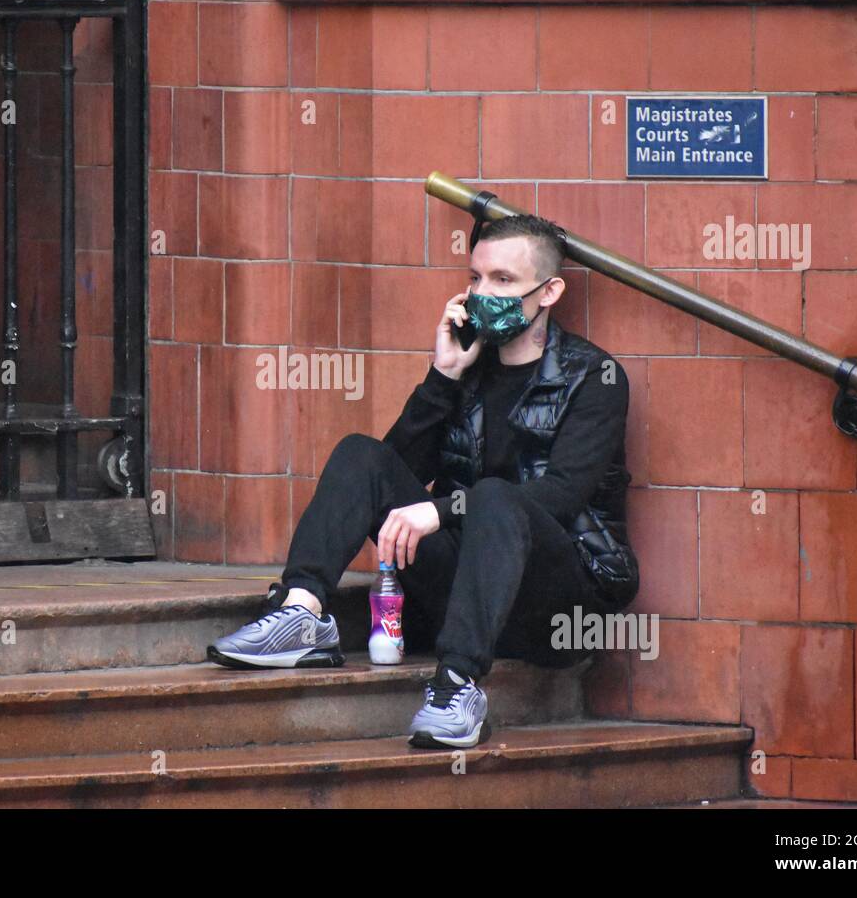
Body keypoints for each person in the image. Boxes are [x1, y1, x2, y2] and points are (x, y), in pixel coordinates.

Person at [206, 213, 639, 749]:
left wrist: (442, 510)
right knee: (359, 454)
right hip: (462, 592)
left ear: (549, 291)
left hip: (555, 605)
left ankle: (456, 685)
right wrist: (444, 377)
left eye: (503, 281)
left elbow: (561, 495)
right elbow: (386, 476)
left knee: (499, 498)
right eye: (476, 279)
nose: (484, 294)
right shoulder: (469, 365)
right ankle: (301, 611)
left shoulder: (595, 378)